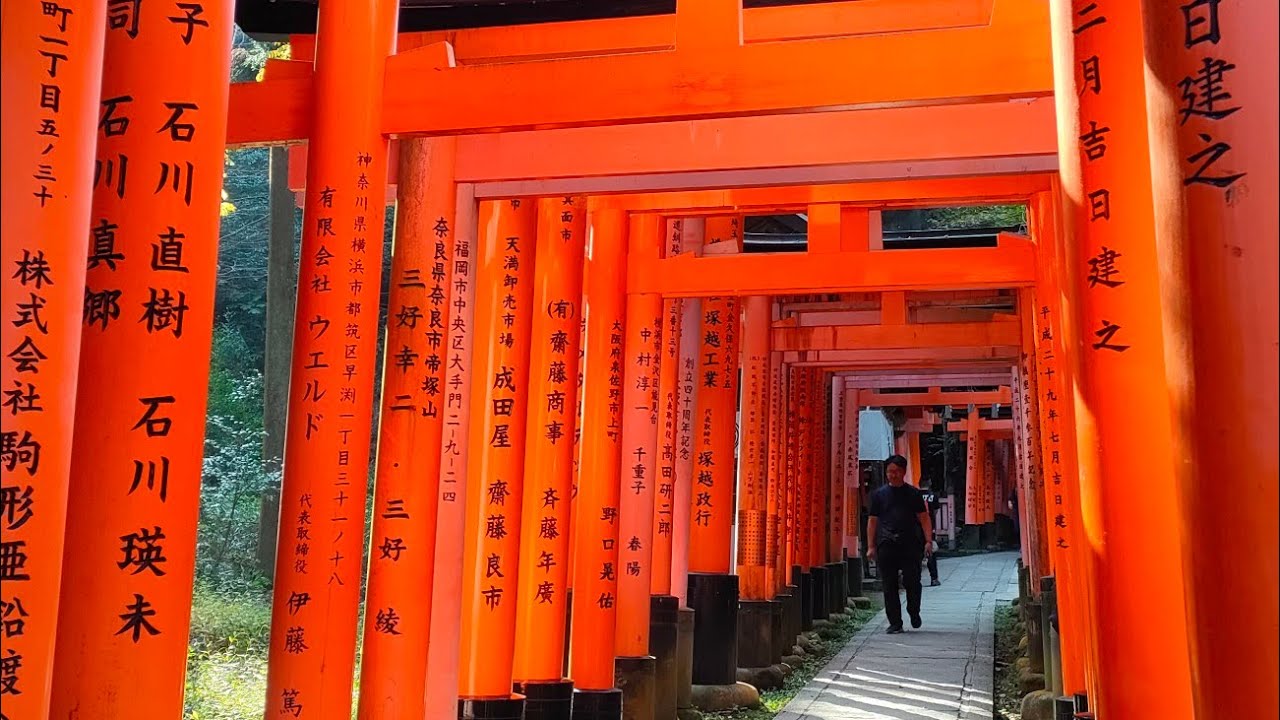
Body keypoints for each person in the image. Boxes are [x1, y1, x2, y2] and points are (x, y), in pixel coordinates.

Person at [868, 455, 934, 634]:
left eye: (896, 471)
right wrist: (871, 546)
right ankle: (895, 622)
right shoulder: (879, 495)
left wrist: (928, 541)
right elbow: (873, 521)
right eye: (889, 471)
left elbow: (924, 518)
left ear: (904, 472)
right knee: (889, 584)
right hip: (886, 542)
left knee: (912, 581)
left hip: (910, 543)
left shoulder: (913, 494)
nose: (892, 475)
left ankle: (914, 611)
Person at [921, 482, 942, 586]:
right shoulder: (933, 496)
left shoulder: (914, 495)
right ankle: (934, 578)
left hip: (916, 528)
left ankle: (915, 579)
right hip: (929, 527)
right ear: (929, 482)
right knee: (931, 553)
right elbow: (936, 511)